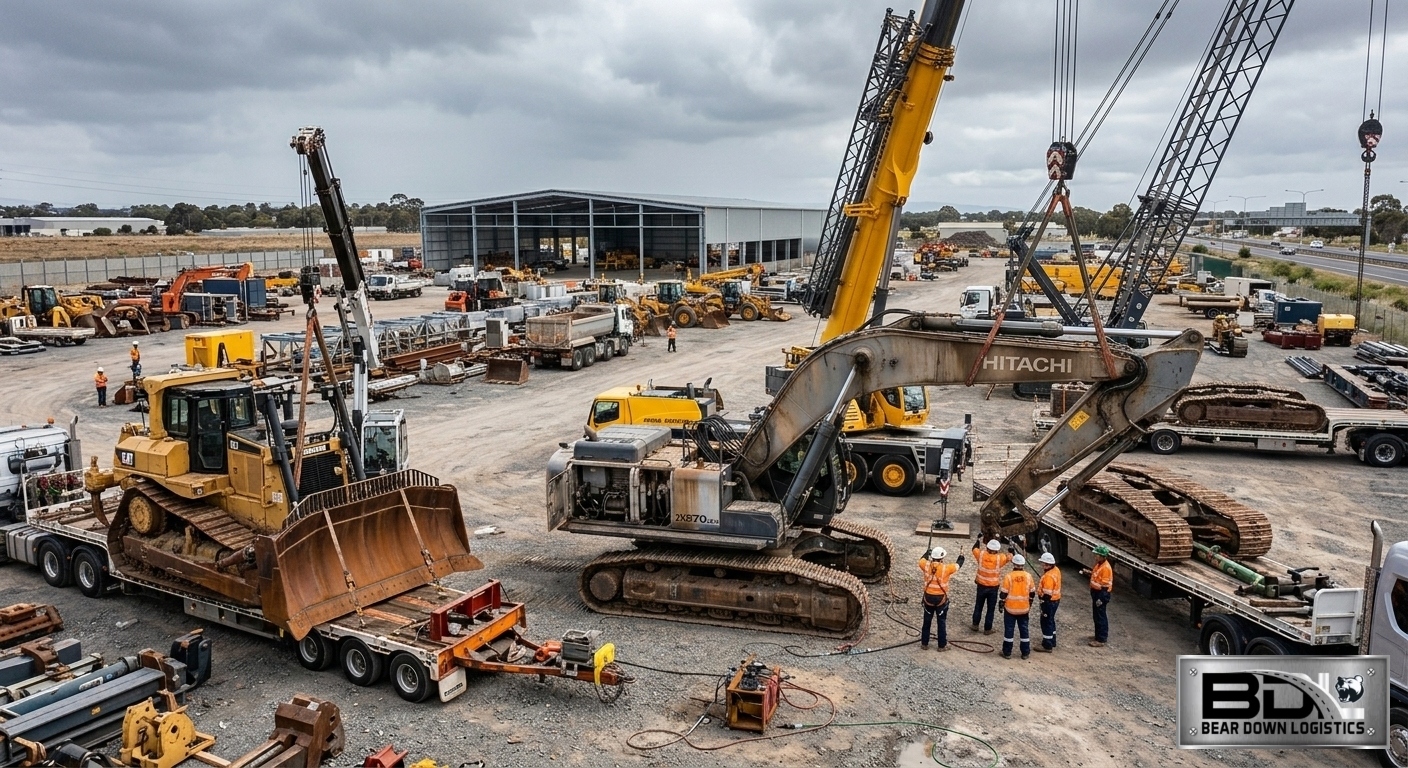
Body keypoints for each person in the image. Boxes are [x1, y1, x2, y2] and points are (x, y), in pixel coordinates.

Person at [918, 546, 964, 651]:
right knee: (941, 622)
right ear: (942, 558)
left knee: (926, 622)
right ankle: (941, 645)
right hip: (941, 599)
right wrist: (961, 556)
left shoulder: (926, 565)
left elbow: (921, 560)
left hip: (928, 598)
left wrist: (927, 553)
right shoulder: (946, 568)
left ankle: (924, 644)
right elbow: (958, 565)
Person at [998, 555, 1036, 659]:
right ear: (1023, 565)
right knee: (1024, 630)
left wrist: (1001, 604)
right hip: (1024, 609)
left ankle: (1007, 652)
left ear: (1014, 564)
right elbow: (1032, 592)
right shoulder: (1028, 576)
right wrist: (1030, 603)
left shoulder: (1009, 576)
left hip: (1010, 609)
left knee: (1009, 630)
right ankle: (1025, 652)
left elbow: (1003, 594)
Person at [970, 537, 1011, 635]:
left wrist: (978, 540)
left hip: (981, 586)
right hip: (993, 588)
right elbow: (1009, 557)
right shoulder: (1000, 558)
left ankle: (975, 625)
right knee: (990, 609)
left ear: (987, 548)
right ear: (997, 550)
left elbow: (974, 549)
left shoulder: (981, 555)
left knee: (978, 605)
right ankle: (987, 629)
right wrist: (1011, 550)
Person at [1081, 545, 1114, 647]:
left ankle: (1101, 639)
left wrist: (1100, 597)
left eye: (1097, 555)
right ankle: (1098, 636)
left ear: (1102, 556)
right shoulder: (1099, 565)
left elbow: (1104, 586)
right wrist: (1089, 573)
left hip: (1101, 594)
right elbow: (1097, 576)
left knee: (1100, 616)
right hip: (1097, 593)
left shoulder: (1106, 568)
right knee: (1097, 615)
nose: (1095, 556)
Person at [1035, 552, 1061, 652]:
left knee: (1046, 622)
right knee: (1050, 620)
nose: (1042, 565)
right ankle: (1052, 640)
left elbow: (1047, 594)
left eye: (1043, 563)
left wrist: (1043, 602)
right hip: (1055, 600)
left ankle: (1047, 645)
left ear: (1047, 564)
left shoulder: (1048, 576)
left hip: (1049, 602)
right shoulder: (1056, 570)